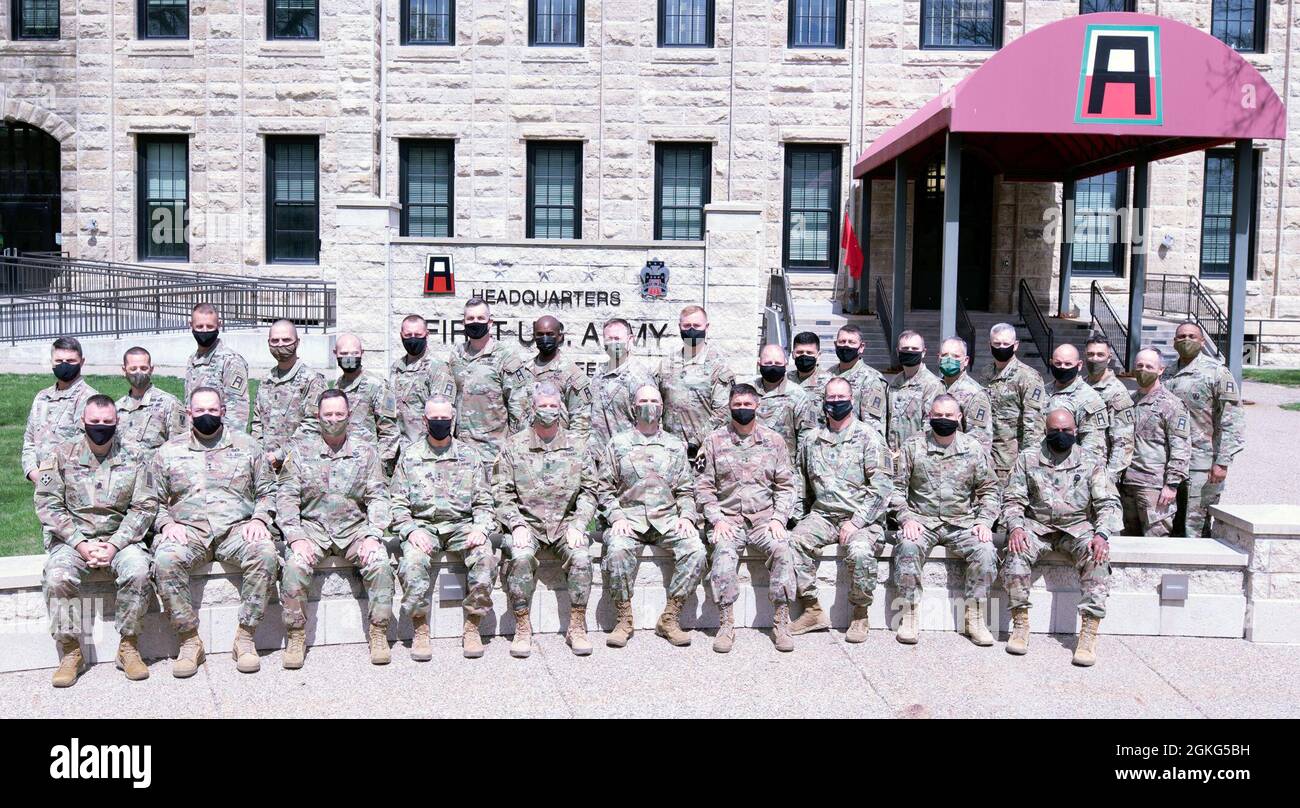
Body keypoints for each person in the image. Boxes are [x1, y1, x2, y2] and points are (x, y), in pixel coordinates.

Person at [151, 387, 280, 677]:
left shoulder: (248, 447)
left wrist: (259, 519)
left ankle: (245, 638)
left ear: (223, 411)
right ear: (189, 414)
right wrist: (166, 524)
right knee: (166, 560)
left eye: (212, 410)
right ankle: (189, 641)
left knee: (265, 553)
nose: (206, 415)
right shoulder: (168, 452)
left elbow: (268, 491)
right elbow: (151, 501)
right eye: (199, 411)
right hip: (189, 531)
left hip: (237, 530)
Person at [35, 395, 156, 686]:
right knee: (57, 576)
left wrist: (114, 545)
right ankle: (70, 651)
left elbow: (145, 506)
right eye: (94, 422)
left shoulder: (136, 455)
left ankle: (128, 645)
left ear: (117, 422)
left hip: (121, 540)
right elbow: (48, 504)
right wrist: (80, 543)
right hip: (73, 540)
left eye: (107, 422)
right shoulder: (60, 455)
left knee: (139, 572)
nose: (100, 427)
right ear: (82, 422)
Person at [277, 389, 394, 668]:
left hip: (354, 529)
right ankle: (295, 635)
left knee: (379, 562)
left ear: (349, 416)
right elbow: (287, 497)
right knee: (294, 565)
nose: (333, 419)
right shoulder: (300, 452)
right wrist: (295, 537)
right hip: (313, 529)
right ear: (317, 417)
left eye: (339, 414)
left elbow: (378, 495)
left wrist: (373, 534)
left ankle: (378, 632)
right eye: (327, 414)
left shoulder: (366, 452)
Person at [1001, 408, 1120, 667]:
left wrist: (1101, 534)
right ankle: (1020, 624)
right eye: (1054, 430)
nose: (1060, 435)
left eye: (1066, 430)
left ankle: (1088, 633)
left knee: (1097, 556)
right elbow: (1013, 499)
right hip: (1037, 527)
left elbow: (1108, 503)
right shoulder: (1028, 458)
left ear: (1075, 431)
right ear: (1046, 431)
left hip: (1076, 527)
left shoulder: (1091, 461)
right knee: (1015, 552)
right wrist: (1016, 527)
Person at [596, 384, 706, 648]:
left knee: (696, 550)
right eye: (643, 400)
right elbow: (603, 487)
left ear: (662, 407)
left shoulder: (674, 446)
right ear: (634, 408)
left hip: (666, 520)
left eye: (654, 400)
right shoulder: (618, 443)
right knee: (618, 550)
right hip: (629, 520)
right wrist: (616, 517)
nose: (649, 405)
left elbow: (686, 489)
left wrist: (687, 517)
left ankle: (670, 618)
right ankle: (623, 619)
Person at [494, 382, 598, 658]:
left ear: (561, 409)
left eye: (553, 406)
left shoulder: (578, 446)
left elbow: (590, 491)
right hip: (528, 525)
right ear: (532, 408)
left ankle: (577, 625)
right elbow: (501, 493)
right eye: (542, 406)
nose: (548, 411)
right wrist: (515, 523)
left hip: (565, 525)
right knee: (520, 557)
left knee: (581, 558)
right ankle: (522, 625)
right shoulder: (514, 447)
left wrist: (579, 523)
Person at [391, 395, 498, 660]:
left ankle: (473, 625)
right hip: (424, 527)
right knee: (412, 562)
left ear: (452, 420)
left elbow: (485, 502)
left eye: (445, 419)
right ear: (425, 421)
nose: (440, 423)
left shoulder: (469, 457)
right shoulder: (411, 457)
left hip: (462, 527)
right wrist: (411, 530)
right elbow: (397, 505)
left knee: (485, 557)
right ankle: (420, 628)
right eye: (435, 419)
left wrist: (481, 528)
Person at [889, 394, 1000, 646]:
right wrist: (906, 518)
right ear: (929, 417)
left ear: (959, 417)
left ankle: (975, 616)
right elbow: (896, 488)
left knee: (985, 550)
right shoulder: (913, 446)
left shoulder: (972, 448)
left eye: (949, 415)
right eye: (938, 415)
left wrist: (984, 521)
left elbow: (990, 489)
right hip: (922, 520)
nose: (943, 419)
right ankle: (909, 613)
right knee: (907, 545)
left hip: (961, 522)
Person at [696, 384, 798, 653]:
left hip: (764, 520)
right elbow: (704, 486)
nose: (742, 409)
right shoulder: (714, 441)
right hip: (728, 520)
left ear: (757, 406)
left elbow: (786, 485)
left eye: (747, 405)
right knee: (722, 557)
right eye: (737, 405)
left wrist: (779, 519)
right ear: (730, 406)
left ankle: (781, 621)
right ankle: (726, 622)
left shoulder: (773, 441)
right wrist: (716, 519)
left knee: (783, 550)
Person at [788, 377, 892, 642]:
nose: (836, 403)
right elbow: (801, 483)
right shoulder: (812, 440)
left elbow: (881, 488)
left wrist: (856, 522)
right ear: (824, 401)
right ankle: (812, 609)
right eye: (831, 398)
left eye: (841, 398)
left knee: (859, 551)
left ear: (852, 400)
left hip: (862, 520)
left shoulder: (870, 438)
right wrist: (793, 519)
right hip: (823, 515)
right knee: (794, 542)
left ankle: (860, 613)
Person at [1162, 321, 1245, 537]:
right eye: (1181, 337)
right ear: (1174, 342)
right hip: (1170, 461)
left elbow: (1232, 419)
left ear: (1202, 341)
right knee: (1170, 522)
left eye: (1192, 336)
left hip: (1202, 463)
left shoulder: (1217, 373)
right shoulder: (1167, 374)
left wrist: (1222, 462)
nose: (1186, 340)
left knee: (1195, 525)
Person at [1122, 349, 1191, 537]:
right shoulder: (1130, 401)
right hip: (1128, 483)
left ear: (1161, 370)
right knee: (1129, 541)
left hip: (1155, 487)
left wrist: (1172, 484)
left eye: (1149, 366)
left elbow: (1181, 448)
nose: (1143, 370)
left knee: (1156, 540)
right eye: (1140, 366)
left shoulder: (1172, 405)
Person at [657, 305, 735, 466]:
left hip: (703, 453)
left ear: (706, 327)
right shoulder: (667, 364)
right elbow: (657, 404)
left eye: (696, 326)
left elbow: (724, 412)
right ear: (679, 327)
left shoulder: (718, 367)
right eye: (687, 326)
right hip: (670, 452)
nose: (691, 330)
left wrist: (696, 441)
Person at [449, 297, 522, 468]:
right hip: (460, 452)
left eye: (481, 318)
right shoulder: (456, 355)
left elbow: (519, 408)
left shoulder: (506, 356)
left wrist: (513, 450)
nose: (476, 322)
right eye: (471, 319)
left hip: (493, 454)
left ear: (490, 323)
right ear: (464, 322)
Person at [250, 319, 326, 472]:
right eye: (275, 340)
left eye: (286, 340)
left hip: (299, 467)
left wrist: (279, 456)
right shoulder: (266, 380)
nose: (280, 345)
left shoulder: (312, 380)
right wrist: (259, 455)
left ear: (297, 342)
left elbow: (312, 426)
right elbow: (257, 423)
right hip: (267, 467)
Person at [23, 337, 98, 485]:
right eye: (58, 361)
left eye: (70, 361)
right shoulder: (42, 397)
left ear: (82, 362)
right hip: (42, 485)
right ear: (51, 361)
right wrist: (33, 472)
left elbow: (90, 447)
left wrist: (69, 480)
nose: (64, 365)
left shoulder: (90, 399)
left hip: (74, 486)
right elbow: (29, 440)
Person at [976, 323, 1045, 481]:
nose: (1001, 347)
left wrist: (1027, 463)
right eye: (997, 344)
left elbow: (1033, 426)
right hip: (987, 458)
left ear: (1015, 346)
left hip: (1012, 463)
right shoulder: (985, 373)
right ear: (990, 345)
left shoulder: (1029, 377)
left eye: (1006, 344)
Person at [508, 315, 593, 440]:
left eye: (550, 334)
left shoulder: (572, 374)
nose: (545, 338)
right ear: (534, 337)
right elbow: (516, 412)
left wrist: (574, 453)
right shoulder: (524, 371)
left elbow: (581, 421)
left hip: (557, 449)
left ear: (560, 337)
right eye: (540, 334)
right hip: (526, 449)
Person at [331, 333, 401, 474]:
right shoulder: (336, 387)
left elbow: (389, 432)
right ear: (335, 354)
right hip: (342, 467)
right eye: (344, 353)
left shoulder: (377, 386)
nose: (349, 357)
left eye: (354, 353)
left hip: (369, 469)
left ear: (362, 353)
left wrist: (377, 467)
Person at [390, 314, 456, 447]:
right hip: (400, 449)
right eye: (408, 335)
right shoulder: (397, 367)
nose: (413, 339)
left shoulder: (438, 368)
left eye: (417, 334)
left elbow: (444, 415)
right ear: (401, 335)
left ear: (427, 334)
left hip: (425, 451)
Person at [590, 317, 654, 448]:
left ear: (630, 340)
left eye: (617, 339)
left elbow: (650, 422)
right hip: (597, 455)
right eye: (609, 339)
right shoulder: (599, 373)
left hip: (626, 455)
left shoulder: (640, 377)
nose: (613, 343)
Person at [185, 303, 250, 432]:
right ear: (191, 325)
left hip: (219, 441)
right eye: (199, 326)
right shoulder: (193, 359)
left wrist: (228, 445)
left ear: (219, 325)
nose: (204, 330)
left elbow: (238, 412)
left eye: (210, 326)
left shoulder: (231, 361)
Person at [754, 343, 818, 467]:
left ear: (785, 363)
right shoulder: (747, 391)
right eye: (768, 363)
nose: (773, 367)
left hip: (783, 470)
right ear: (759, 363)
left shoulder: (798, 394)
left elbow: (807, 437)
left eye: (777, 363)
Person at [1044, 343, 1109, 459]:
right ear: (1051, 363)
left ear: (1079, 365)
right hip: (1041, 465)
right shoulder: (1043, 391)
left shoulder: (1089, 399)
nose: (1062, 367)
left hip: (1071, 468)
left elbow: (1093, 448)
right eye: (1058, 363)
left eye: (1068, 364)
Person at [1084, 337, 1136, 483]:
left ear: (1109, 358)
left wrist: (1110, 478)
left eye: (1100, 355)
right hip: (1079, 470)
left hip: (1100, 474)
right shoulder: (1081, 385)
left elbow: (1123, 442)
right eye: (1090, 354)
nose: (1095, 359)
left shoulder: (1117, 392)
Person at [115, 346, 186, 452]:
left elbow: (180, 448)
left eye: (143, 368)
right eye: (133, 369)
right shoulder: (116, 408)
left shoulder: (170, 404)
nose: (138, 372)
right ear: (124, 370)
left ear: (151, 369)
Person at [887, 330, 944, 452]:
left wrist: (909, 451)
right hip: (893, 456)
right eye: (906, 348)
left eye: (914, 348)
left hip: (918, 454)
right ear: (898, 352)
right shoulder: (894, 382)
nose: (910, 351)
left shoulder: (932, 384)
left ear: (923, 353)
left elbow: (930, 426)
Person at [936, 337, 993, 455]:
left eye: (956, 356)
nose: (949, 360)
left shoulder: (975, 394)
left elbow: (979, 442)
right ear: (939, 358)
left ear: (966, 361)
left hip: (958, 464)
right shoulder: (933, 388)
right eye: (945, 355)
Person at [830, 325, 888, 433]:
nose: (846, 345)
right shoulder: (828, 375)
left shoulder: (871, 379)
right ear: (835, 344)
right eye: (842, 341)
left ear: (861, 347)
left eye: (851, 342)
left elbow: (873, 427)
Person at [788, 331, 833, 422]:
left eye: (809, 352)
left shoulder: (830, 382)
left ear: (818, 355)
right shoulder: (785, 380)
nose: (804, 356)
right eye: (800, 352)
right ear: (793, 354)